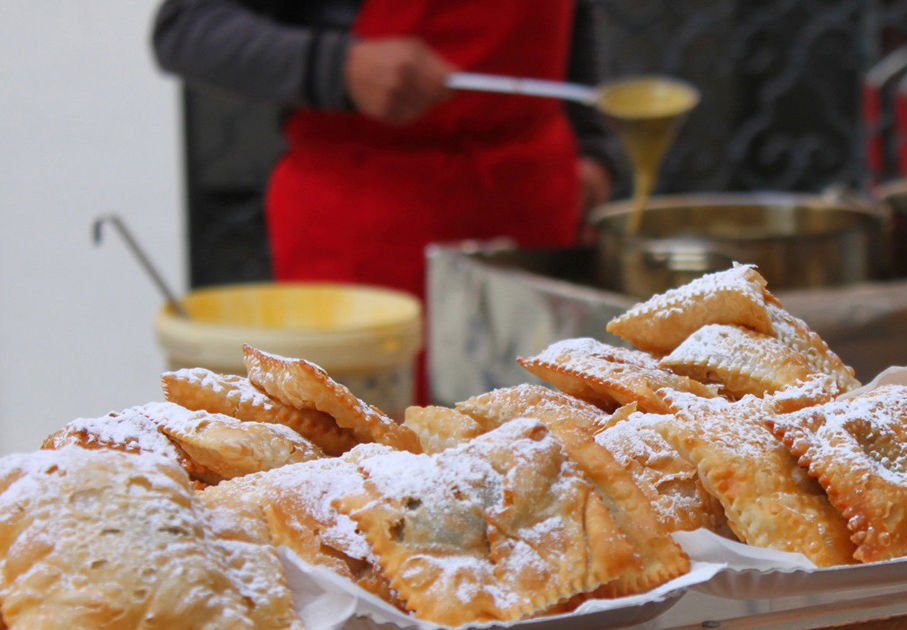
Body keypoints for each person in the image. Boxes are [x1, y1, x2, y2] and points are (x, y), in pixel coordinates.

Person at [152, 0, 618, 402]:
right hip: (366, 226)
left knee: (547, 437)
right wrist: (337, 66)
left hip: (533, 211)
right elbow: (187, 27)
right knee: (365, 451)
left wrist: (592, 143)